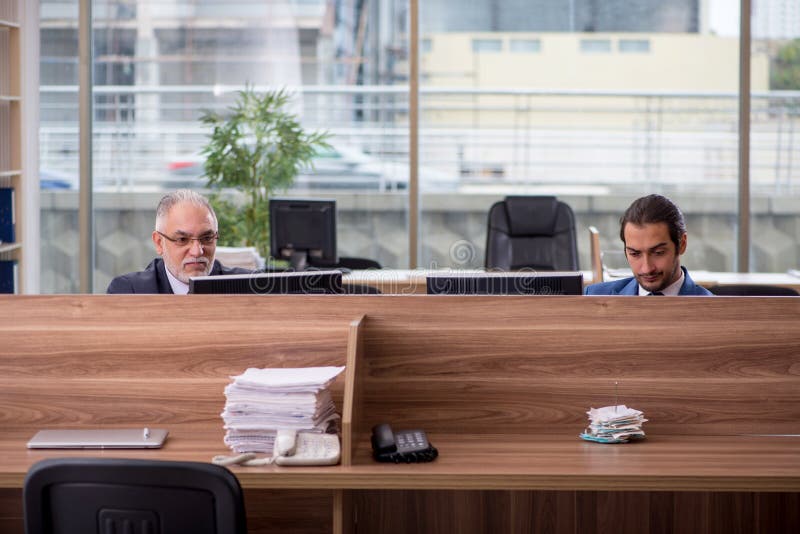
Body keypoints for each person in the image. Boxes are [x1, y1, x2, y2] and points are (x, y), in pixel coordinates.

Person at [107, 189, 252, 294]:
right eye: (182, 240)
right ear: (159, 243)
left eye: (207, 238)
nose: (197, 251)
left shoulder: (248, 286)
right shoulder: (129, 292)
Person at [584, 194, 712, 296]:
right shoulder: (594, 297)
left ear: (682, 244)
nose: (647, 269)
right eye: (635, 254)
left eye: (658, 253)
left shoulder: (715, 312)